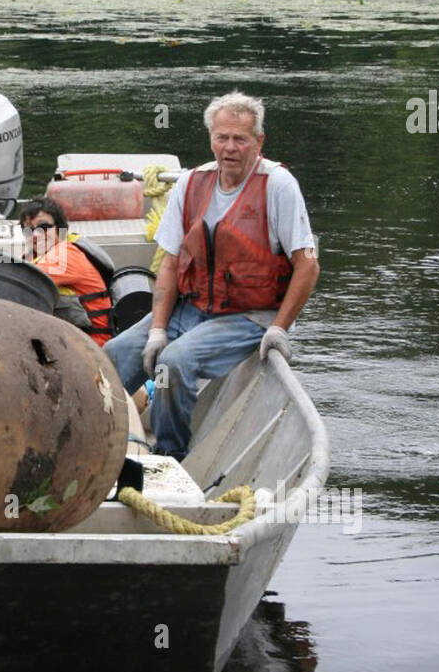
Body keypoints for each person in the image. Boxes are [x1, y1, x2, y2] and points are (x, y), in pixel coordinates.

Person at [104, 91, 319, 459]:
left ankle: (169, 457)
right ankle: (95, 437)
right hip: (191, 308)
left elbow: (308, 264)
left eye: (240, 139)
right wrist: (157, 328)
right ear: (211, 139)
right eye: (222, 137)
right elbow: (170, 262)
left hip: (248, 315)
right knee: (113, 354)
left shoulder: (278, 185)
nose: (230, 147)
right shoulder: (191, 183)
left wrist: (280, 328)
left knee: (175, 362)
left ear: (259, 141)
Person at [20, 198, 114, 345]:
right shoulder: (38, 255)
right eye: (29, 230)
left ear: (60, 228)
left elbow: (19, 282)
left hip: (93, 348)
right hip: (71, 341)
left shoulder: (65, 255)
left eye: (43, 227)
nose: (36, 235)